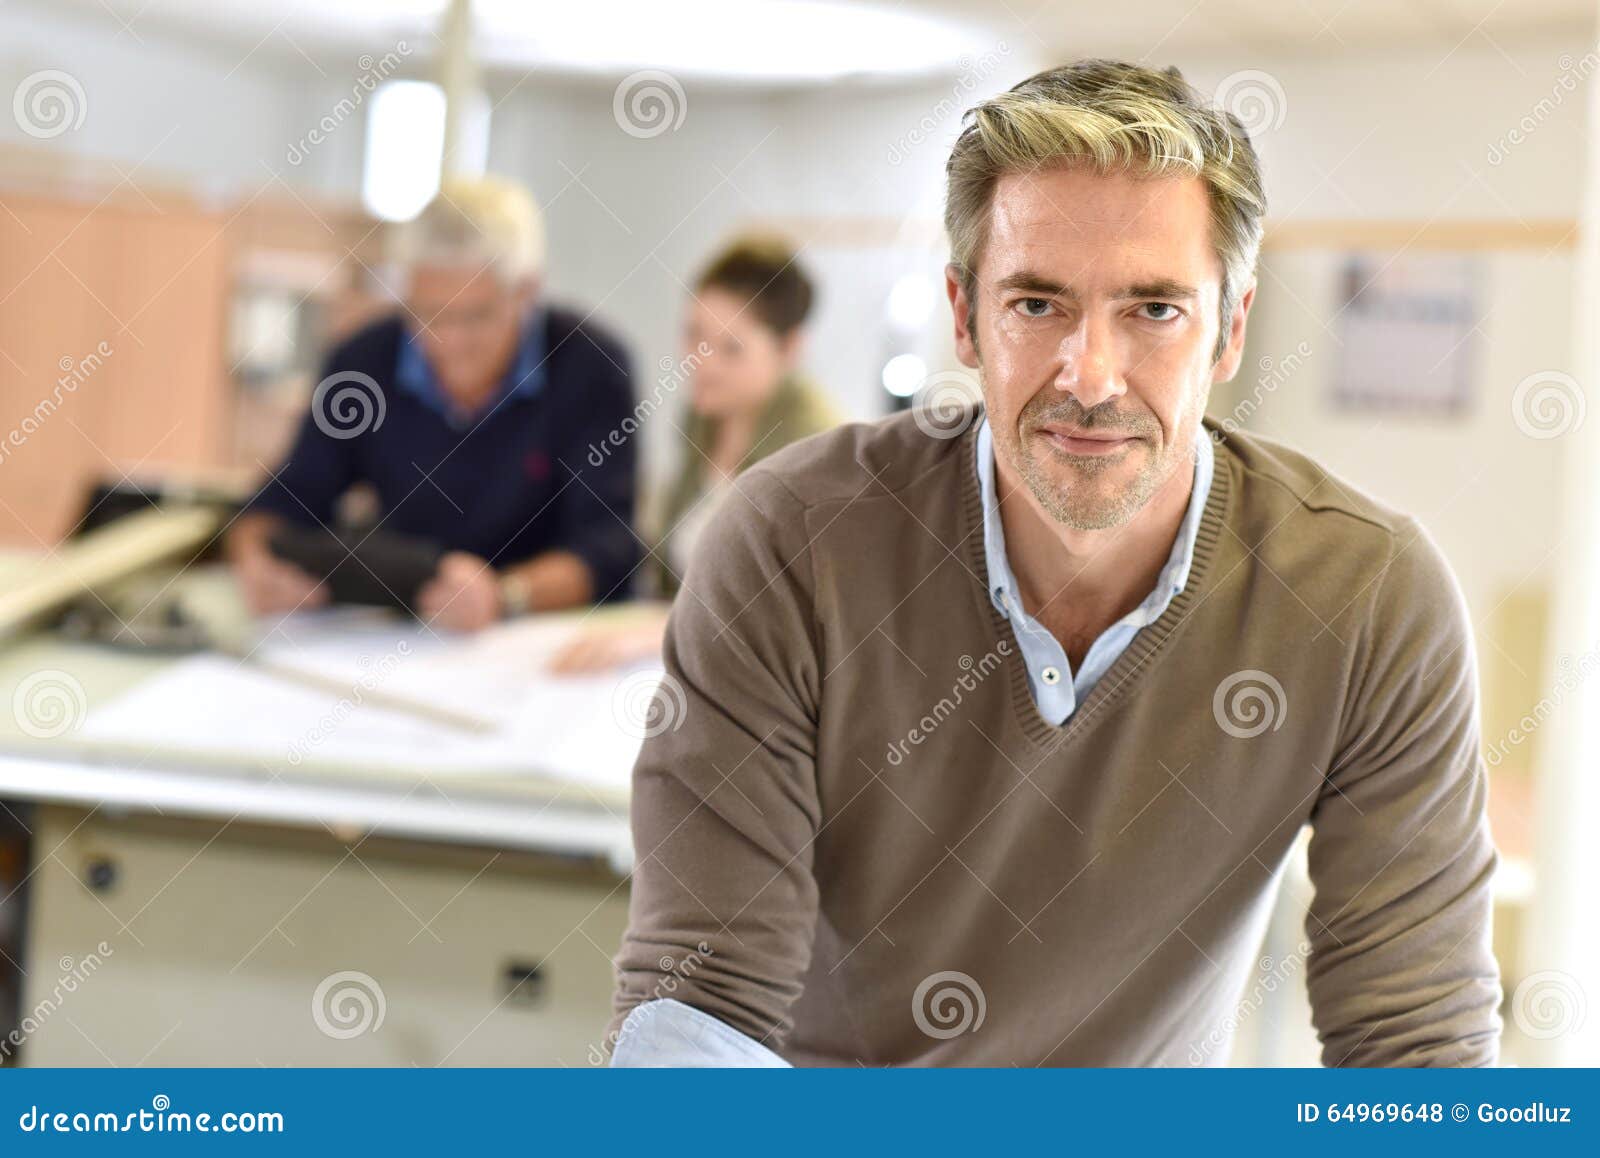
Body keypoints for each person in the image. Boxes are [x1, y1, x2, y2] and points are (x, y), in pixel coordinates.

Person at [606, 60, 1502, 1066]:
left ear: (1230, 329)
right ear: (964, 316)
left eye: (1153, 309)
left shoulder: (1364, 597)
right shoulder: (789, 542)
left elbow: (1414, 1042)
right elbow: (702, 1008)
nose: (1090, 375)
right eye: (1036, 304)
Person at [226, 177, 638, 631]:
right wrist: (256, 562)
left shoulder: (591, 367)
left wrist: (505, 595)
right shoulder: (362, 363)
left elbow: (610, 545)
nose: (448, 342)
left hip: (536, 639)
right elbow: (289, 496)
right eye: (427, 314)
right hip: (398, 635)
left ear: (526, 293)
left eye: (475, 316)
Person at [549, 235, 838, 672]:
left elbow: (789, 615)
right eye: (695, 334)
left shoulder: (817, 449)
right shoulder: (703, 420)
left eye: (731, 348)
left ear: (789, 349)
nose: (702, 362)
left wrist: (663, 630)